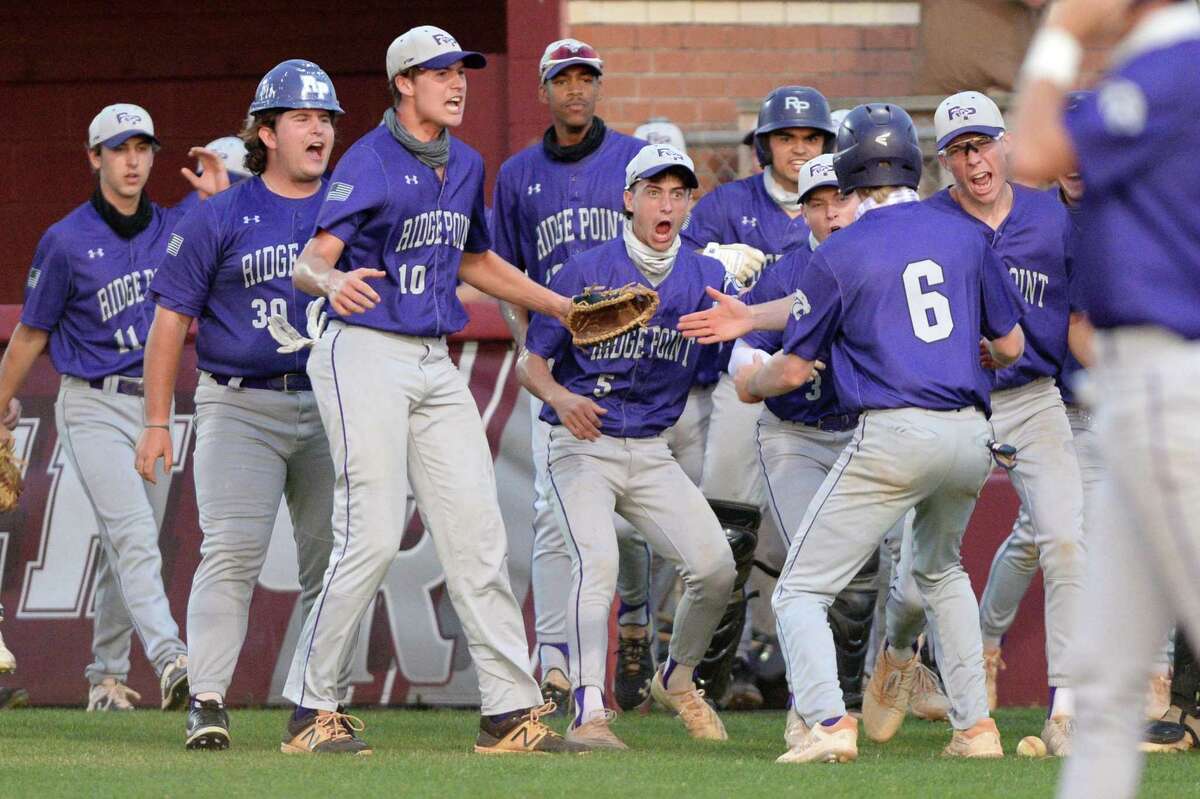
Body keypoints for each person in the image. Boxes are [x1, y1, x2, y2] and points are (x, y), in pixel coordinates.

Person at [680, 103, 1027, 762]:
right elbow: (1009, 342)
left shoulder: (844, 248)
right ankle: (976, 728)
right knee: (943, 571)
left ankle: (827, 721)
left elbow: (793, 367)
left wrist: (748, 384)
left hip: (894, 434)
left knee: (799, 589)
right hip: (969, 434)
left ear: (851, 168)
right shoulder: (962, 232)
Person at [279, 25, 587, 756]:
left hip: (432, 357)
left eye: (462, 71)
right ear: (403, 84)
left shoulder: (466, 159)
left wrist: (561, 306)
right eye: (439, 71)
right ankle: (308, 707)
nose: (457, 83)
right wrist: (333, 281)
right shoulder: (371, 158)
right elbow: (307, 261)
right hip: (364, 351)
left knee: (479, 534)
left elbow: (474, 259)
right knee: (373, 532)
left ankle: (509, 711)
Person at [1007, 0, 1200, 795]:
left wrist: (1063, 31)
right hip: (1142, 389)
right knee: (1106, 678)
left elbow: (1031, 149)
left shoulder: (1177, 58)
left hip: (1170, 384)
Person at [135, 60, 346, 751]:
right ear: (267, 131)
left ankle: (311, 703)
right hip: (239, 403)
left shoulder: (351, 205)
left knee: (335, 562)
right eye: (303, 118)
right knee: (230, 551)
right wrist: (157, 420)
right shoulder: (221, 212)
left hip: (329, 404)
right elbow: (170, 319)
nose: (318, 129)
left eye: (326, 118)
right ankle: (206, 698)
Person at [869, 90, 1081, 755]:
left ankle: (1067, 707)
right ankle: (900, 651)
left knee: (1068, 539)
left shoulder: (1054, 218)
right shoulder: (928, 222)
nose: (976, 160)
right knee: (921, 567)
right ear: (944, 163)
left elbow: (1085, 307)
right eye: (960, 150)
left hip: (1034, 396)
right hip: (955, 401)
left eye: (984, 142)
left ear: (1008, 145)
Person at [0, 104, 226, 712]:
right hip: (92, 404)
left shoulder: (177, 224)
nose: (132, 160)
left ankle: (105, 677)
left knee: (130, 542)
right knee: (133, 537)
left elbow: (232, 241)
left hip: (153, 405)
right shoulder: (66, 239)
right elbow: (29, 334)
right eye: (119, 148)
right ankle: (173, 661)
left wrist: (217, 201)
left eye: (142, 147)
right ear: (94, 157)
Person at [518, 143, 735, 749]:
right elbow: (531, 365)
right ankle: (588, 713)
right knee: (599, 562)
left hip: (652, 446)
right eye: (654, 191)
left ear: (690, 203)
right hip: (580, 443)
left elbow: (718, 370)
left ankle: (679, 677)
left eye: (678, 192)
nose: (666, 203)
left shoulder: (706, 277)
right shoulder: (584, 269)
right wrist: (560, 398)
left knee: (716, 569)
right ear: (628, 199)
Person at [490, 37, 647, 712]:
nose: (576, 90)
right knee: (553, 514)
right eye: (563, 79)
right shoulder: (518, 174)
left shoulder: (635, 158)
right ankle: (556, 657)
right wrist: (532, 344)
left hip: (634, 364)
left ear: (599, 86)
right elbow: (507, 273)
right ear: (543, 90)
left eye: (586, 78)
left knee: (631, 522)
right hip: (558, 361)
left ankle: (636, 625)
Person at [682, 85, 840, 707]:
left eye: (809, 138)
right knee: (726, 515)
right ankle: (716, 662)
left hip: (817, 385)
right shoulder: (726, 204)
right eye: (786, 138)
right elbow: (681, 272)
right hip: (740, 377)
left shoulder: (840, 202)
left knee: (791, 532)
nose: (798, 149)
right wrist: (711, 262)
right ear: (763, 147)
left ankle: (775, 655)